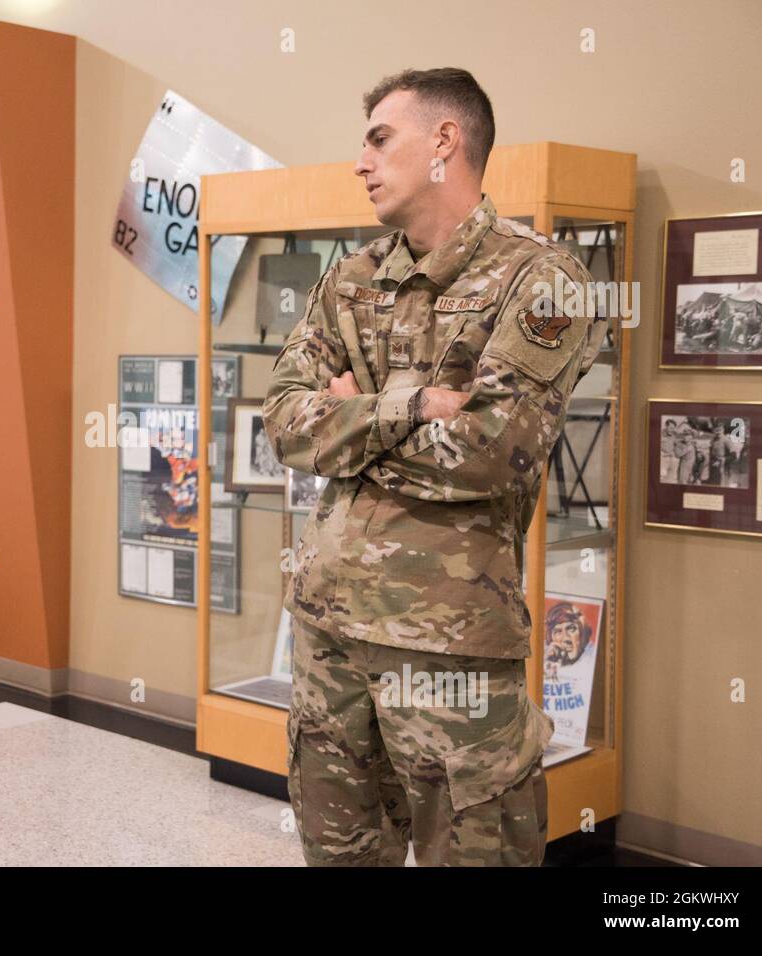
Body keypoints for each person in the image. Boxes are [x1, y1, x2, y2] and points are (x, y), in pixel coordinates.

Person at [264, 68, 606, 867]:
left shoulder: (542, 280)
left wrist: (349, 416)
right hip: (328, 641)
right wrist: (407, 407)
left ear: (446, 142)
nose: (362, 161)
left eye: (381, 139)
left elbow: (490, 452)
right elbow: (282, 427)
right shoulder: (348, 281)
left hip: (451, 653)